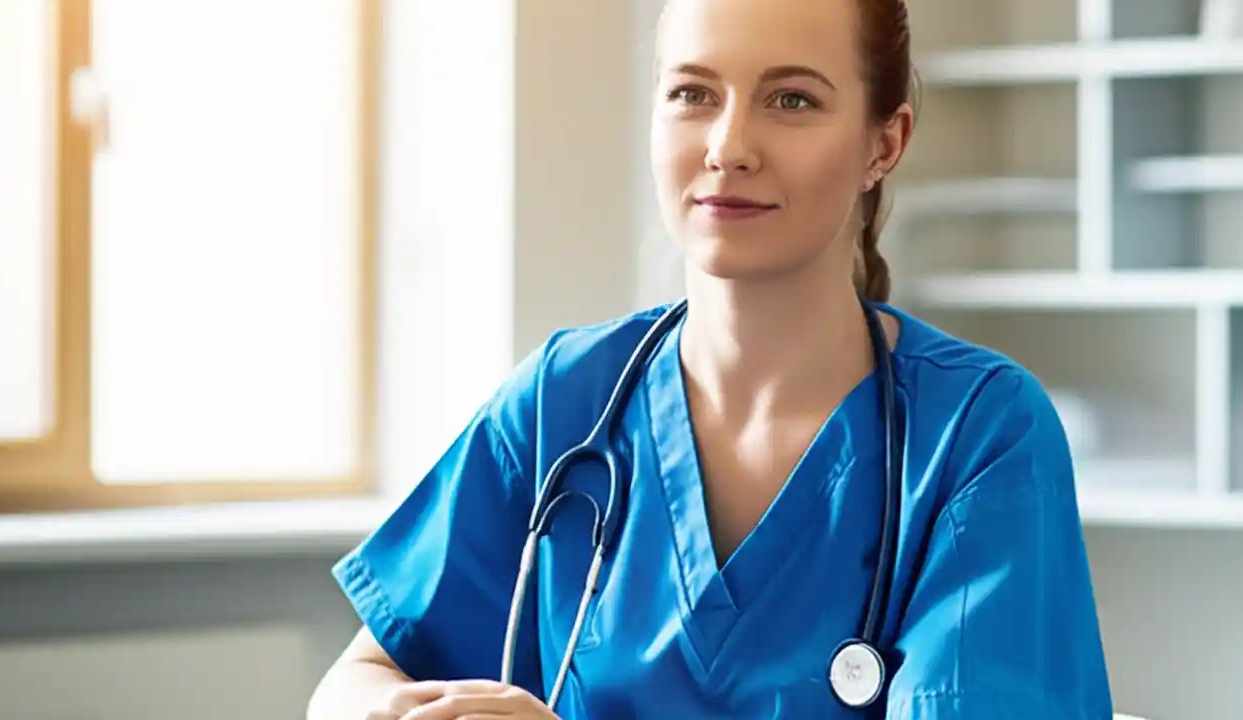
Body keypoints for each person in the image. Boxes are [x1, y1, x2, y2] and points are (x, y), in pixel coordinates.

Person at [307, 0, 1115, 717]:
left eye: (791, 100)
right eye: (693, 94)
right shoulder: (564, 400)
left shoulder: (979, 436)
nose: (729, 146)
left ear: (884, 142)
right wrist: (393, 714)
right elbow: (363, 673)